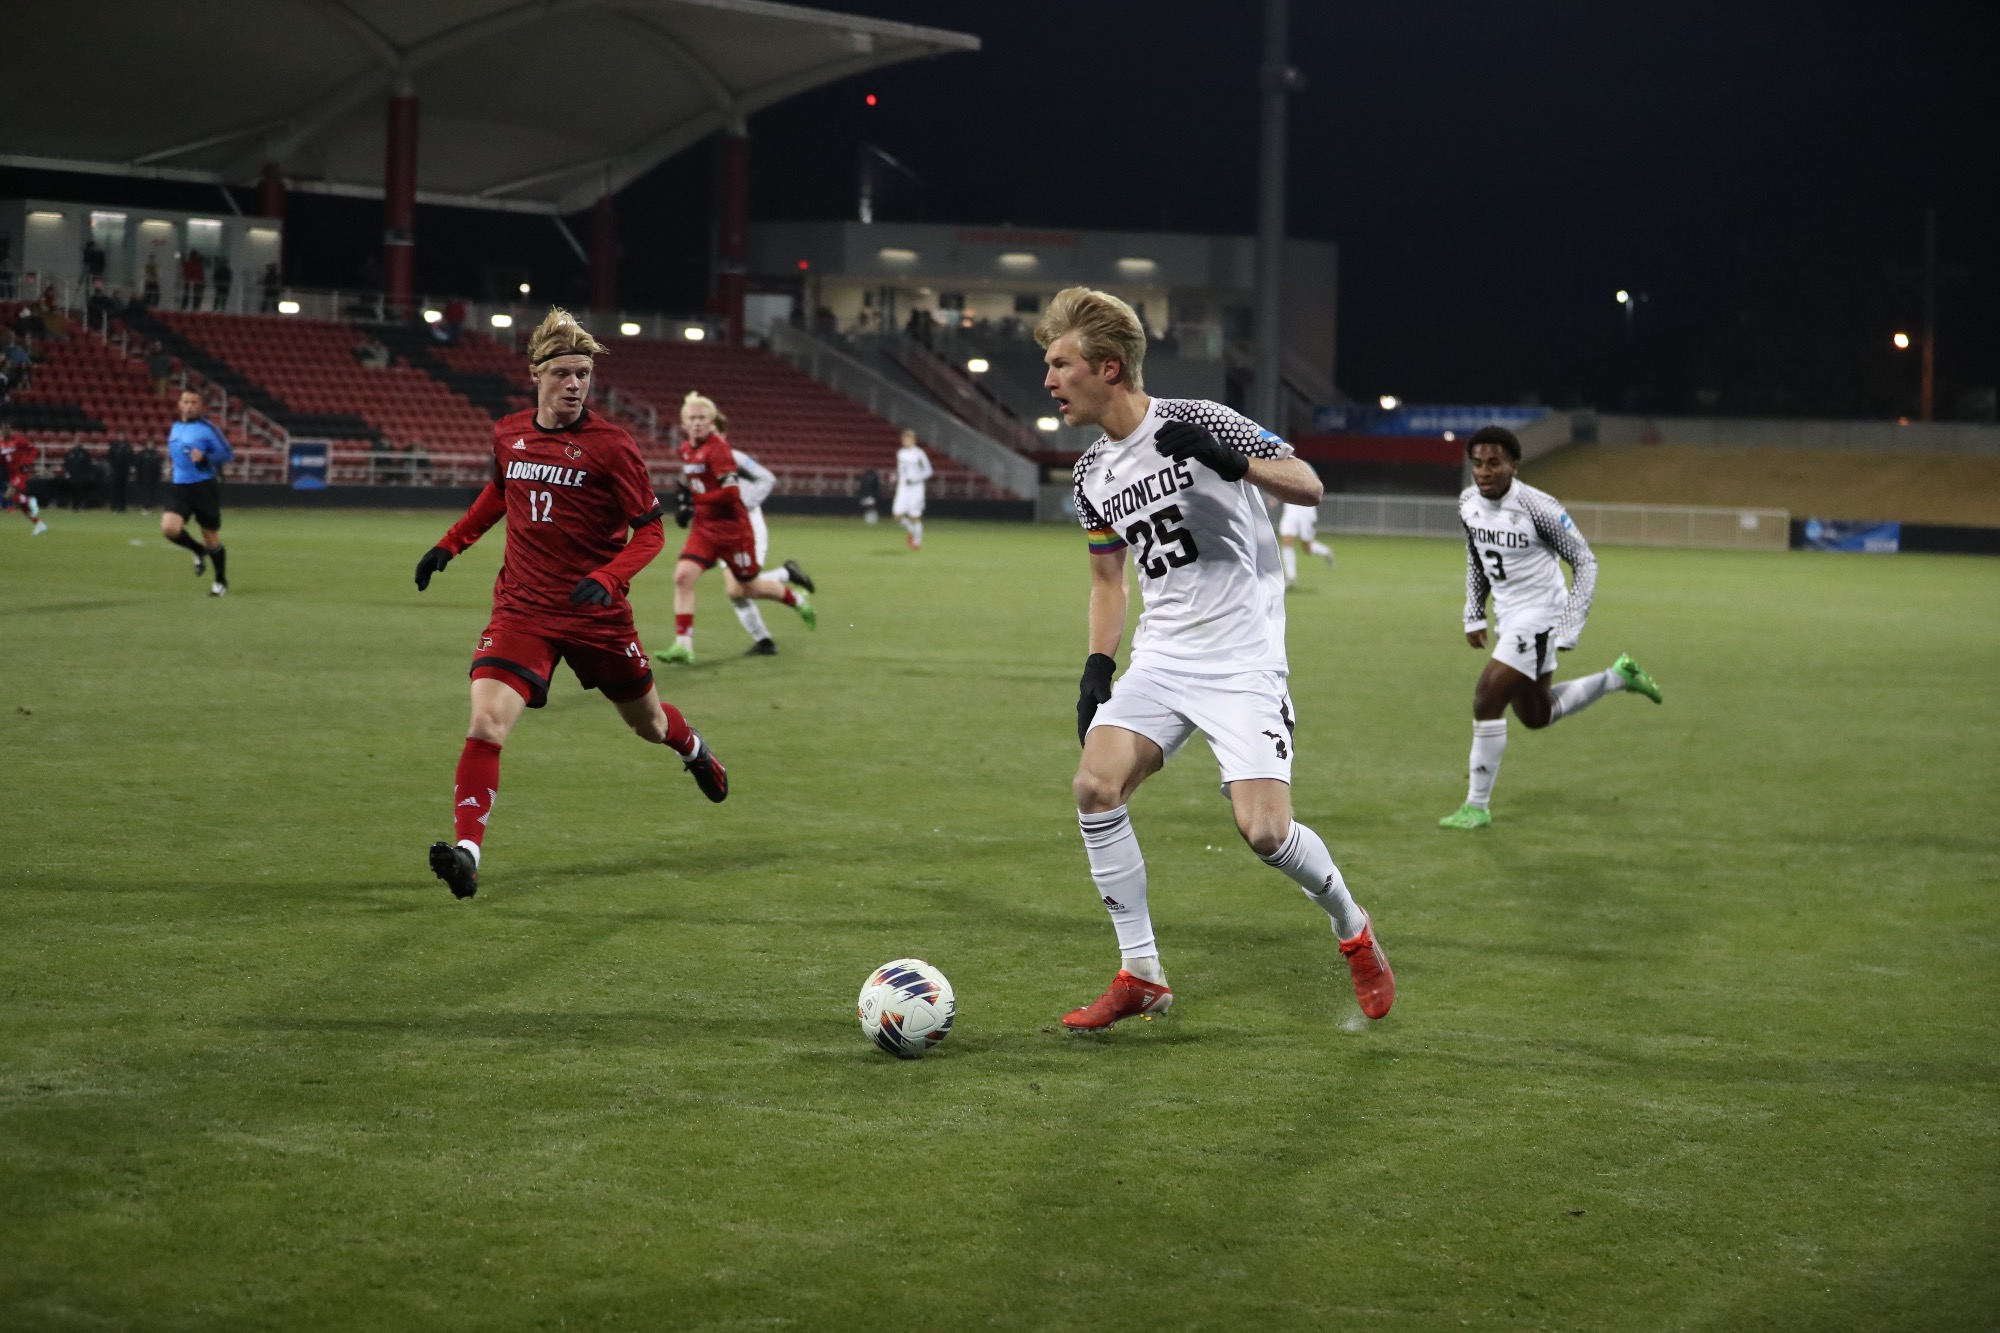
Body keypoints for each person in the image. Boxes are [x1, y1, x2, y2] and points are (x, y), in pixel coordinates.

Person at [1038, 286, 1395, 1031]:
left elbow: (1310, 484)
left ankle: (1352, 927)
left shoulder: (1196, 418)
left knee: (1264, 831)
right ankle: (1142, 974)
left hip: (1242, 658)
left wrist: (1232, 460)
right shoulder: (1090, 474)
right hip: (1164, 658)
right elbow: (1109, 577)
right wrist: (1098, 664)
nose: (1048, 379)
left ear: (1107, 368)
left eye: (1058, 362)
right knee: (1094, 787)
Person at [412, 307, 728, 900]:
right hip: (522, 609)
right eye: (563, 373)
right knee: (485, 721)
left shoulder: (613, 446)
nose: (575, 384)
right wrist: (448, 545)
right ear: (537, 374)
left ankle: (694, 750)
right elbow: (500, 491)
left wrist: (609, 578)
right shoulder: (509, 433)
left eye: (583, 373)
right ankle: (468, 852)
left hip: (598, 616)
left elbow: (652, 533)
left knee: (649, 723)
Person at [1438, 426, 1663, 830]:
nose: (1484, 471)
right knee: (1537, 715)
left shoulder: (1538, 506)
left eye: (1494, 463)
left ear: (1513, 466)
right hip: (1510, 615)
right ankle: (1617, 676)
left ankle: (1476, 805)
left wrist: (1569, 626)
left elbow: (1585, 560)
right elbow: (1477, 558)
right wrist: (1474, 612)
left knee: (1487, 698)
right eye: (1477, 463)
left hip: (1542, 615)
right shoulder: (1468, 502)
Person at [664, 391, 816, 665]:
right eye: (692, 418)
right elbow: (695, 485)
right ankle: (686, 644)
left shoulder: (727, 452)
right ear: (684, 423)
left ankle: (790, 592)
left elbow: (758, 482)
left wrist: (743, 503)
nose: (698, 423)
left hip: (740, 526)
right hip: (707, 528)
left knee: (742, 588)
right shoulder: (687, 450)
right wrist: (686, 506)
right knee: (686, 577)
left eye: (703, 418)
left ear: (714, 423)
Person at [723, 446, 814, 654]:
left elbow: (766, 479)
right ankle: (764, 641)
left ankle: (794, 598)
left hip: (746, 530)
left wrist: (745, 506)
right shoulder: (695, 458)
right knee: (736, 592)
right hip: (722, 530)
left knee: (737, 589)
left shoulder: (733, 457)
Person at [162, 388, 234, 596]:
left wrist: (205, 458)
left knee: (211, 537)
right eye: (186, 401)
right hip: (180, 487)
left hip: (204, 487)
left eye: (194, 402)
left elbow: (228, 454)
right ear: (179, 405)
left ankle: (220, 581)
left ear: (200, 407)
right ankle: (197, 550)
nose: (189, 406)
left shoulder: (208, 429)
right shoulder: (175, 426)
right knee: (169, 529)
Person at [1, 424, 48, 534]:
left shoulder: (18, 439)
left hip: (21, 470)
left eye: (3, 431)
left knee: (9, 495)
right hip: (12, 474)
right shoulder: (2, 444)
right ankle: (40, 525)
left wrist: (28, 463)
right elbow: (3, 460)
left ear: (9, 431)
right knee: (22, 506)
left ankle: (31, 500)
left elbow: (34, 449)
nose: (1, 434)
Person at [1276, 501, 1335, 588]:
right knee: (1286, 542)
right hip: (1290, 508)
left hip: (1306, 508)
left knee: (1307, 548)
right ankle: (1291, 577)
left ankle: (1326, 550)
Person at [891, 429, 933, 549]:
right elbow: (901, 470)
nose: (905, 441)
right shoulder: (900, 453)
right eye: (903, 439)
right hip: (903, 488)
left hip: (916, 489)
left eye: (908, 439)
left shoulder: (919, 454)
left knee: (914, 517)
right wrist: (896, 476)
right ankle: (911, 530)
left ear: (913, 440)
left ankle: (917, 541)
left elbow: (928, 471)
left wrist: (915, 479)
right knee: (897, 516)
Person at [63, 442, 98, 510]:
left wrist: (86, 474)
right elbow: (66, 464)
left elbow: (89, 465)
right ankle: (73, 505)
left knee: (81, 491)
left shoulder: (85, 453)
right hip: (73, 476)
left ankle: (80, 505)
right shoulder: (70, 453)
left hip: (81, 476)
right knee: (73, 491)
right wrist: (68, 472)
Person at [134, 440, 163, 513]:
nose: (150, 445)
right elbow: (138, 464)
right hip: (144, 477)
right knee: (145, 493)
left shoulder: (156, 455)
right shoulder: (143, 454)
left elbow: (158, 467)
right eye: (149, 444)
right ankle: (145, 507)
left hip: (153, 477)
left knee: (152, 492)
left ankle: (150, 507)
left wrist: (158, 476)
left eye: (151, 444)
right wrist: (139, 475)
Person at [106, 437, 135, 512]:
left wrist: (129, 466)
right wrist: (113, 467)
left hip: (124, 472)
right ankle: (114, 506)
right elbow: (110, 458)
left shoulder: (128, 447)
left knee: (123, 490)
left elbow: (131, 458)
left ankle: (122, 507)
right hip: (115, 472)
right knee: (115, 490)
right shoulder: (114, 447)